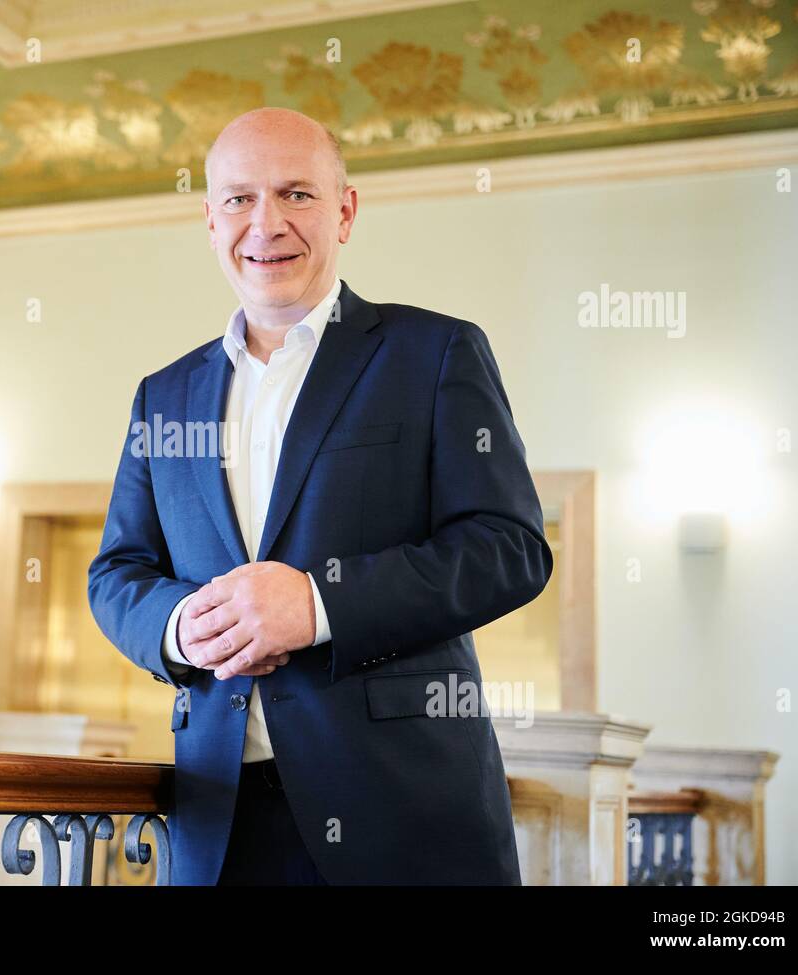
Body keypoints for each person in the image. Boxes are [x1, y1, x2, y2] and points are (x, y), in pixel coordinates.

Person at [88, 107, 552, 885]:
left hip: (405, 822)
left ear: (345, 209)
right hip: (216, 824)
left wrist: (317, 603)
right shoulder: (161, 396)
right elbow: (116, 572)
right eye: (238, 199)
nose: (264, 222)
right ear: (209, 220)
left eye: (296, 193)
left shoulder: (435, 353)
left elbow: (509, 548)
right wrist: (178, 625)